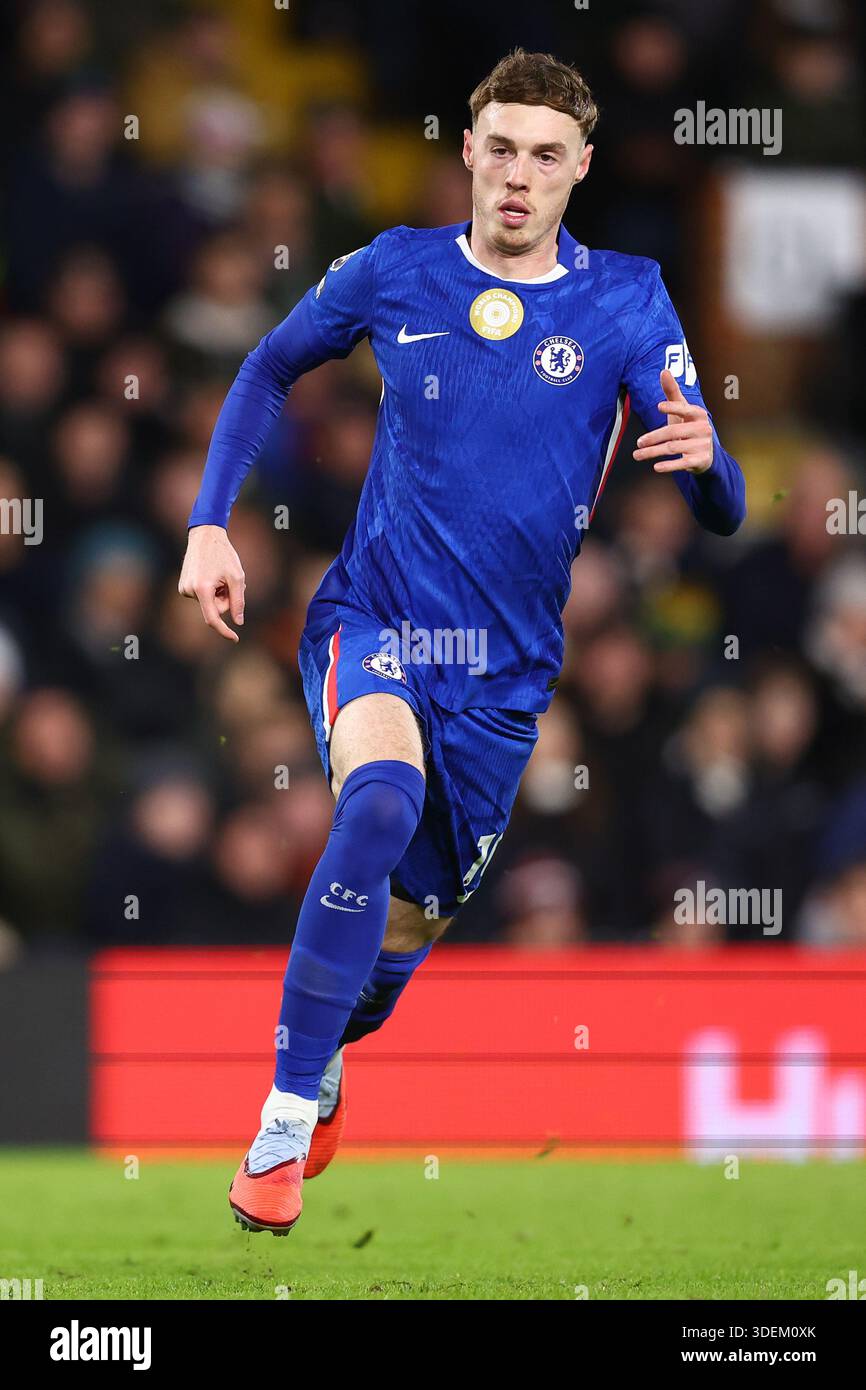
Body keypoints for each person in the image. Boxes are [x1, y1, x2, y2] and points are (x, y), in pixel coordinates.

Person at [179, 49, 746, 1235]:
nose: (517, 176)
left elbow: (717, 496)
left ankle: (326, 1055)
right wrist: (208, 526)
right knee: (374, 803)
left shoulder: (628, 297)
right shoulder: (396, 268)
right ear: (468, 153)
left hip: (501, 683)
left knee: (399, 941)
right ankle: (279, 1126)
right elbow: (269, 362)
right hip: (375, 619)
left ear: (579, 168)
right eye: (499, 148)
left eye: (545, 155)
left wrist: (713, 469)